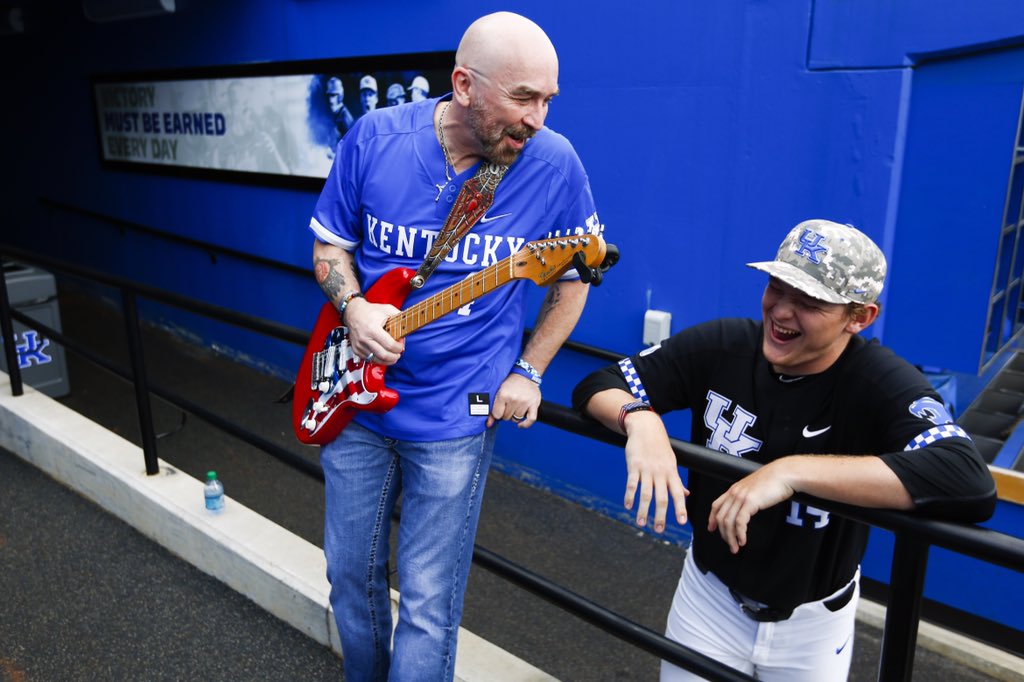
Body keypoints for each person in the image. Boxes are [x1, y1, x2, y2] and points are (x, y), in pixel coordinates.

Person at [308, 11, 603, 681]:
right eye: (523, 97)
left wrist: (529, 370)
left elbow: (576, 277)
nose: (538, 118)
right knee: (349, 576)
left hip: (456, 415)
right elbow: (330, 248)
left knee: (428, 602)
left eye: (549, 99)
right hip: (353, 403)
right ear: (464, 85)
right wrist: (354, 307)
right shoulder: (375, 137)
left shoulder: (553, 163)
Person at [572, 219, 996, 681]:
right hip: (709, 599)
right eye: (777, 286)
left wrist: (789, 472)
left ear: (859, 317)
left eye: (810, 302)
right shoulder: (725, 345)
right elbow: (600, 383)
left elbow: (967, 479)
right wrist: (640, 418)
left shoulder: (879, 380)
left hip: (815, 624)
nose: (783, 311)